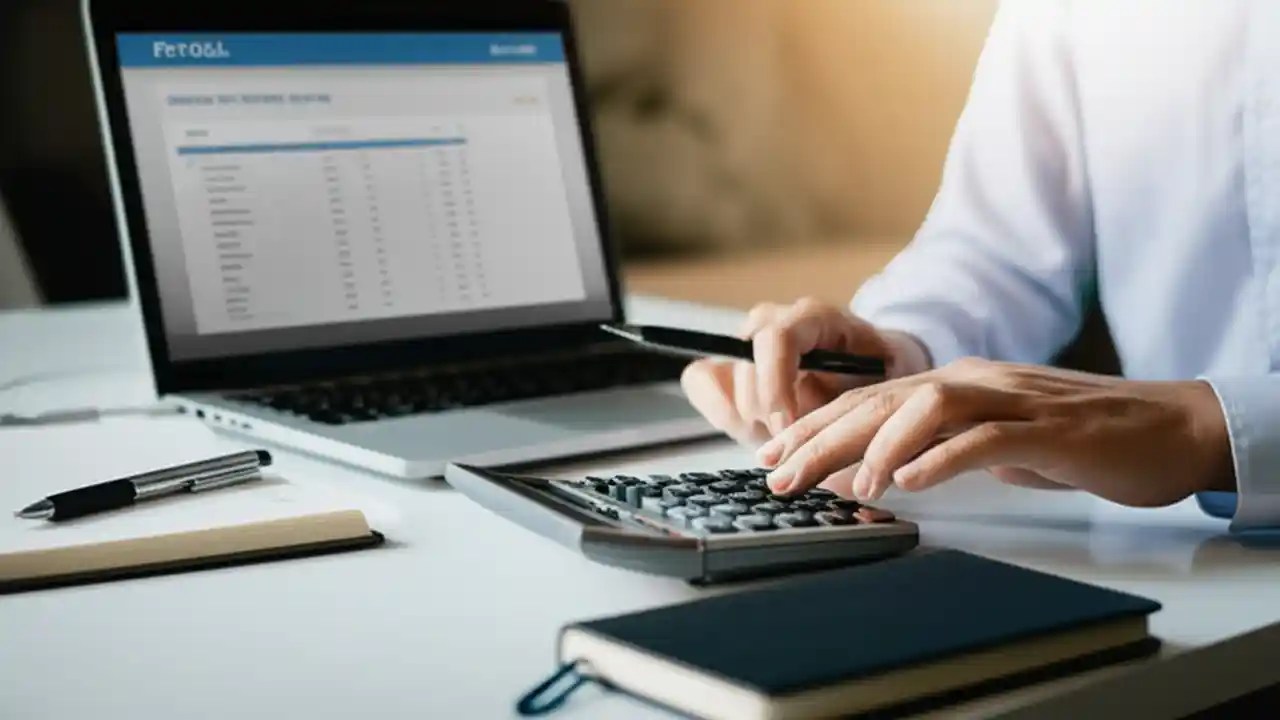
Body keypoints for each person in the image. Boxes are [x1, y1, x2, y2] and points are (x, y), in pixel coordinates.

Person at [680, 0, 1280, 532]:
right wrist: (891, 359)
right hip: (1186, 548)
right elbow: (1001, 249)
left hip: (1178, 532)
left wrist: (1206, 429)